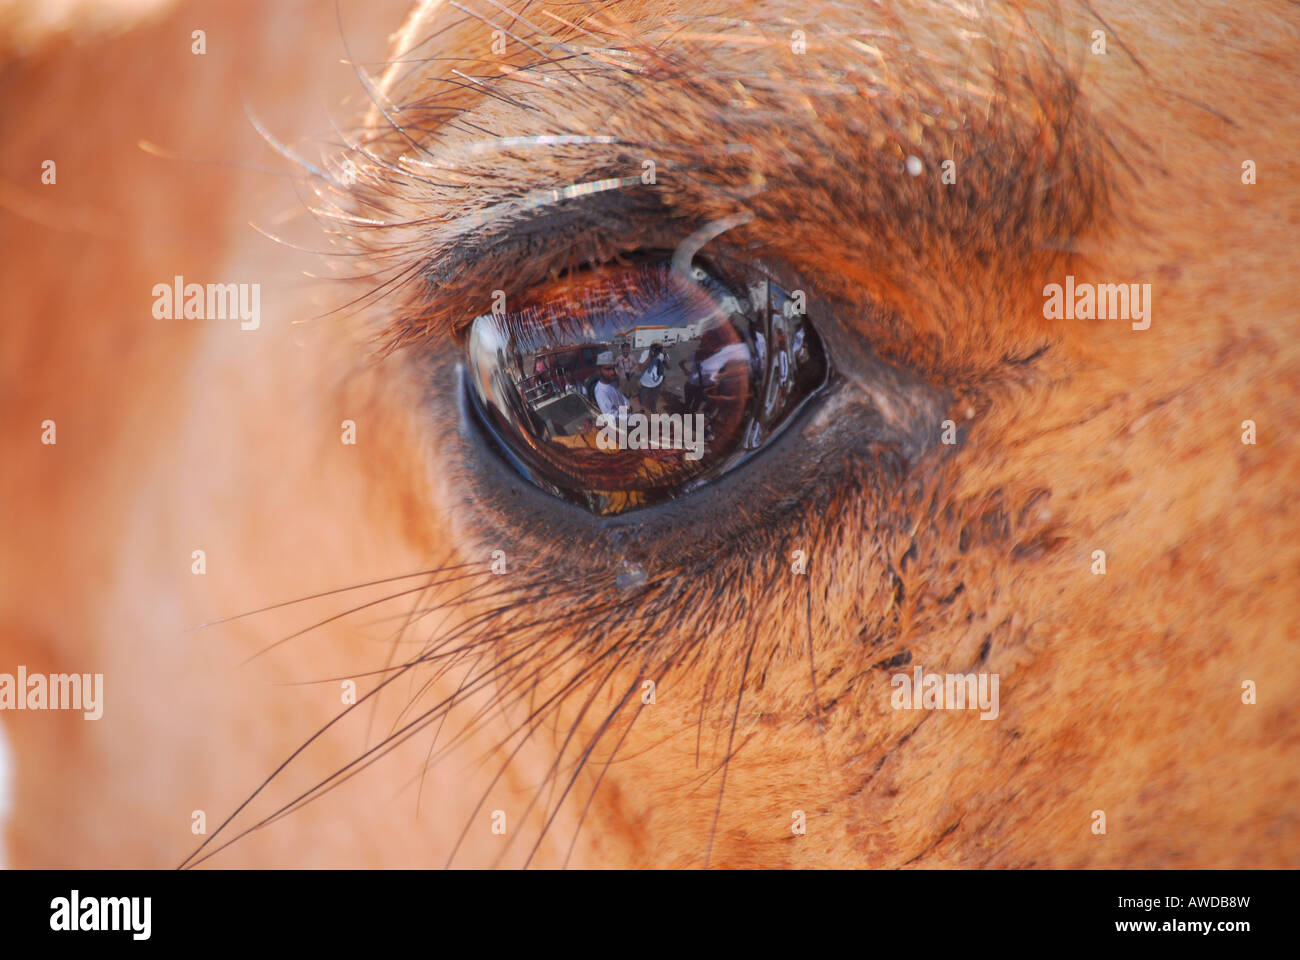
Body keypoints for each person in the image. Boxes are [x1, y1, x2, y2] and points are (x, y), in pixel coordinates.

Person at [592, 350, 628, 418]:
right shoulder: (601, 391)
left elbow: (622, 399)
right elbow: (612, 417)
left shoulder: (612, 382)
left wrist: (627, 408)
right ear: (598, 370)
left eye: (614, 368)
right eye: (608, 369)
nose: (613, 372)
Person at [638, 342, 666, 413]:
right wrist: (650, 357)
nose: (656, 351)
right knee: (643, 396)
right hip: (645, 382)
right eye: (654, 348)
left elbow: (669, 367)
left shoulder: (662, 354)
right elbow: (641, 368)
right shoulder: (645, 353)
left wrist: (665, 355)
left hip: (657, 381)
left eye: (658, 348)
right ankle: (643, 408)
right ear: (651, 348)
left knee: (655, 397)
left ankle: (653, 408)